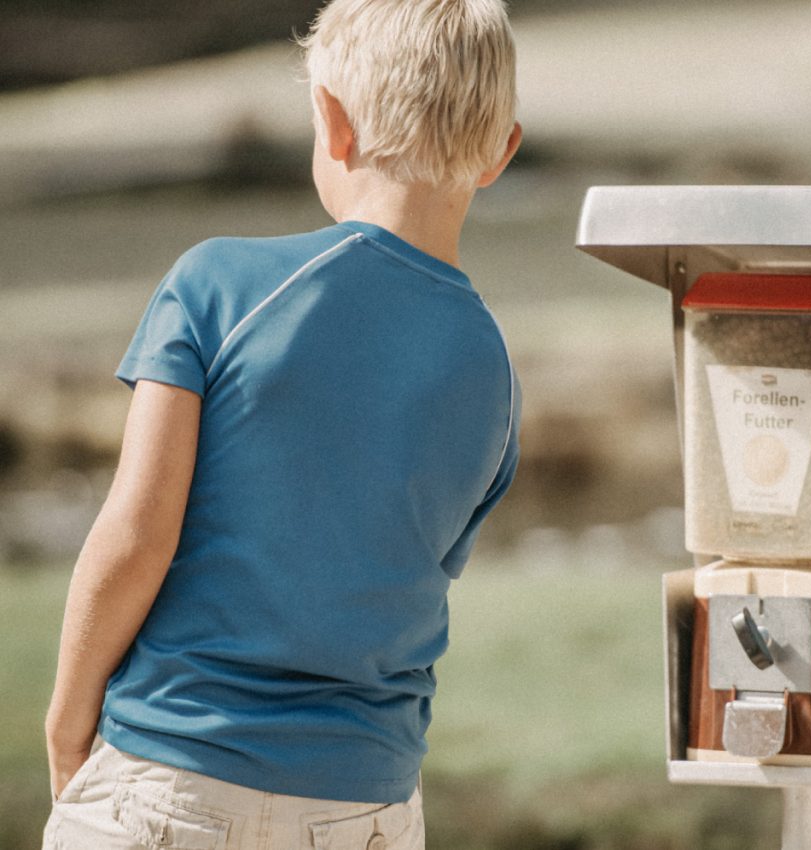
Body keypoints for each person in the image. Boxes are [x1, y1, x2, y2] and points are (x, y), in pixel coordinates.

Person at [42, 1, 522, 846]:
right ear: (501, 155)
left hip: (170, 775)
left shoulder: (218, 284)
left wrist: (66, 722)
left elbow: (136, 536)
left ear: (332, 125)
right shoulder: (496, 372)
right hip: (365, 806)